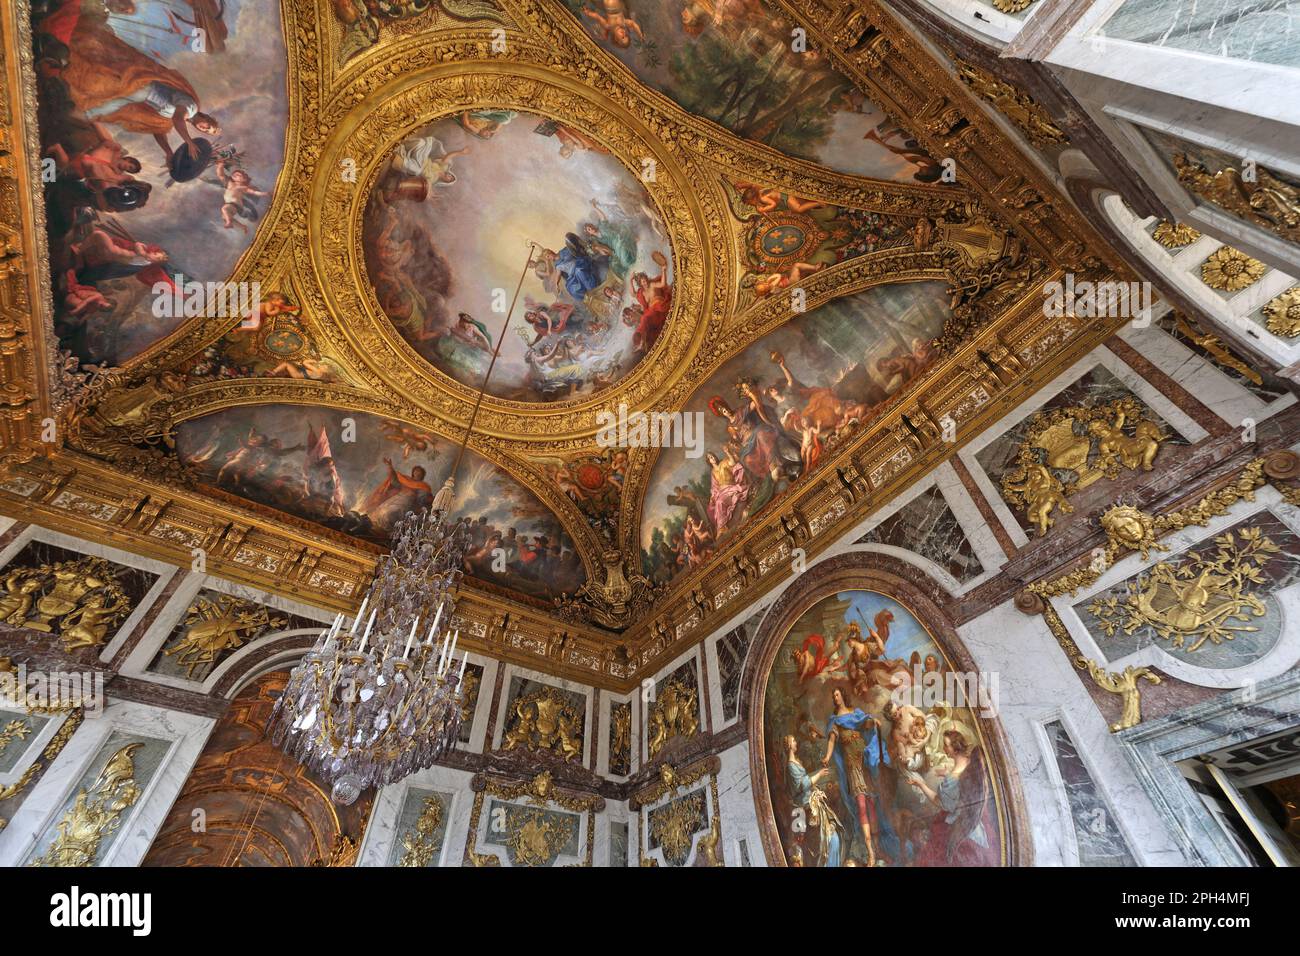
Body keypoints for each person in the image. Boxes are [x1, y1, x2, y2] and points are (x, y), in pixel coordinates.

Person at [821, 686, 896, 866]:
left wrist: (874, 722)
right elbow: (832, 740)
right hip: (852, 767)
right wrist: (827, 756)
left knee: (871, 805)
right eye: (833, 695)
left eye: (837, 693)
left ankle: (877, 847)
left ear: (843, 695)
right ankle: (870, 851)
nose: (835, 696)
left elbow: (865, 724)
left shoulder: (855, 713)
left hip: (864, 763)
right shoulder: (835, 721)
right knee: (862, 806)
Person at [785, 734, 843, 867]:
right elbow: (802, 785)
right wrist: (819, 774)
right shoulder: (790, 766)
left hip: (813, 804)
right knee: (827, 841)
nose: (795, 743)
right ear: (788, 745)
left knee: (833, 837)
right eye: (793, 741)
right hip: (806, 808)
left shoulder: (796, 762)